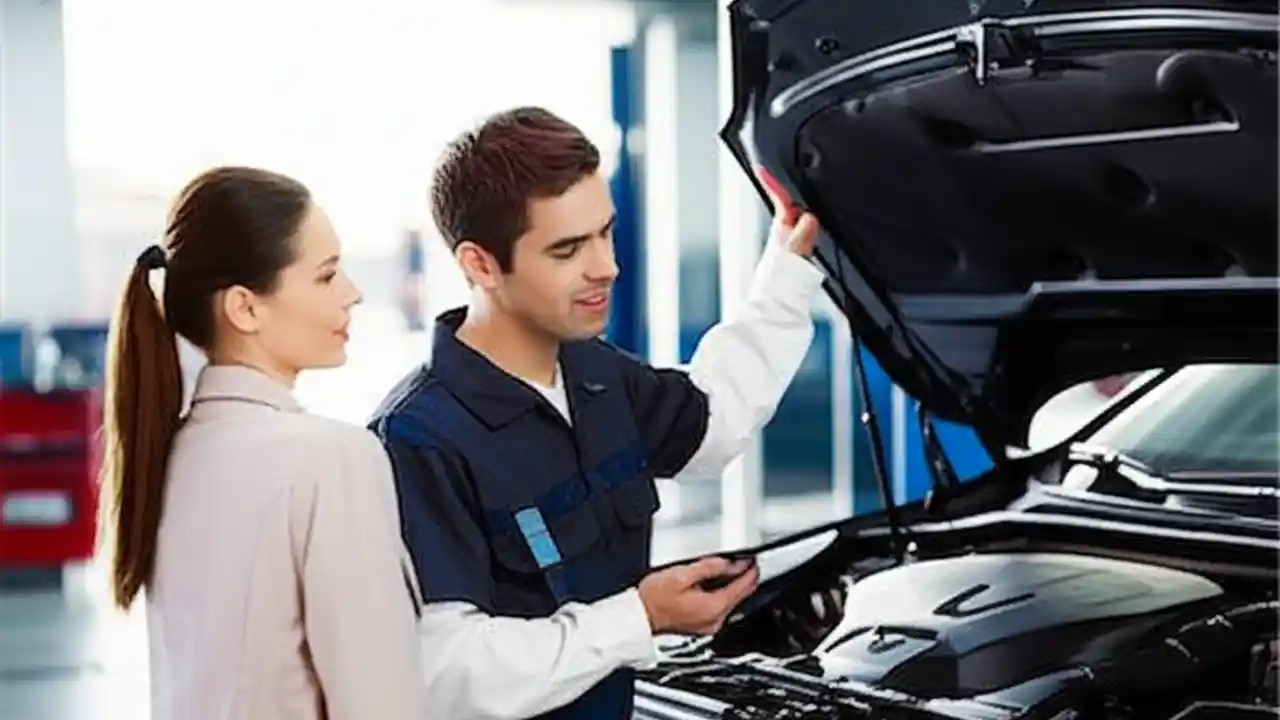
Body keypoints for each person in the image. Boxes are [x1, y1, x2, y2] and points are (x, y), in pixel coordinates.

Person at [368, 106, 824, 719]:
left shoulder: (596, 374)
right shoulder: (416, 439)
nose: (605, 266)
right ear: (479, 265)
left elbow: (714, 422)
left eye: (605, 232)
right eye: (567, 250)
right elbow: (449, 674)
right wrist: (641, 615)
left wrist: (787, 268)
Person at [97, 166, 427, 720]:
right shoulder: (333, 459)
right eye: (326, 276)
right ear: (245, 308)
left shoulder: (170, 455)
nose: (353, 293)